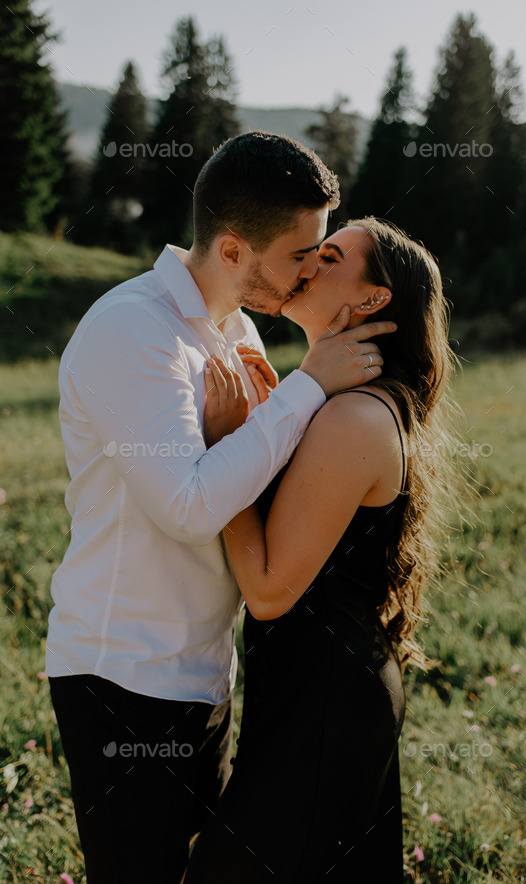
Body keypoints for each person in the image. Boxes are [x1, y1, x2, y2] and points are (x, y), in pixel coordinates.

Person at [46, 134, 397, 884]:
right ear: (234, 249)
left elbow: (248, 471)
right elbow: (188, 503)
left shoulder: (235, 330)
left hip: (204, 674)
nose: (312, 270)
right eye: (301, 254)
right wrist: (307, 386)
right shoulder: (131, 330)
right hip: (123, 678)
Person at [185, 218, 457, 882]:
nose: (305, 264)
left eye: (329, 256)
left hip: (325, 710)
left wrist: (226, 451)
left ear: (369, 301)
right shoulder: (337, 404)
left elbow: (272, 587)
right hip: (313, 698)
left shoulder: (354, 417)